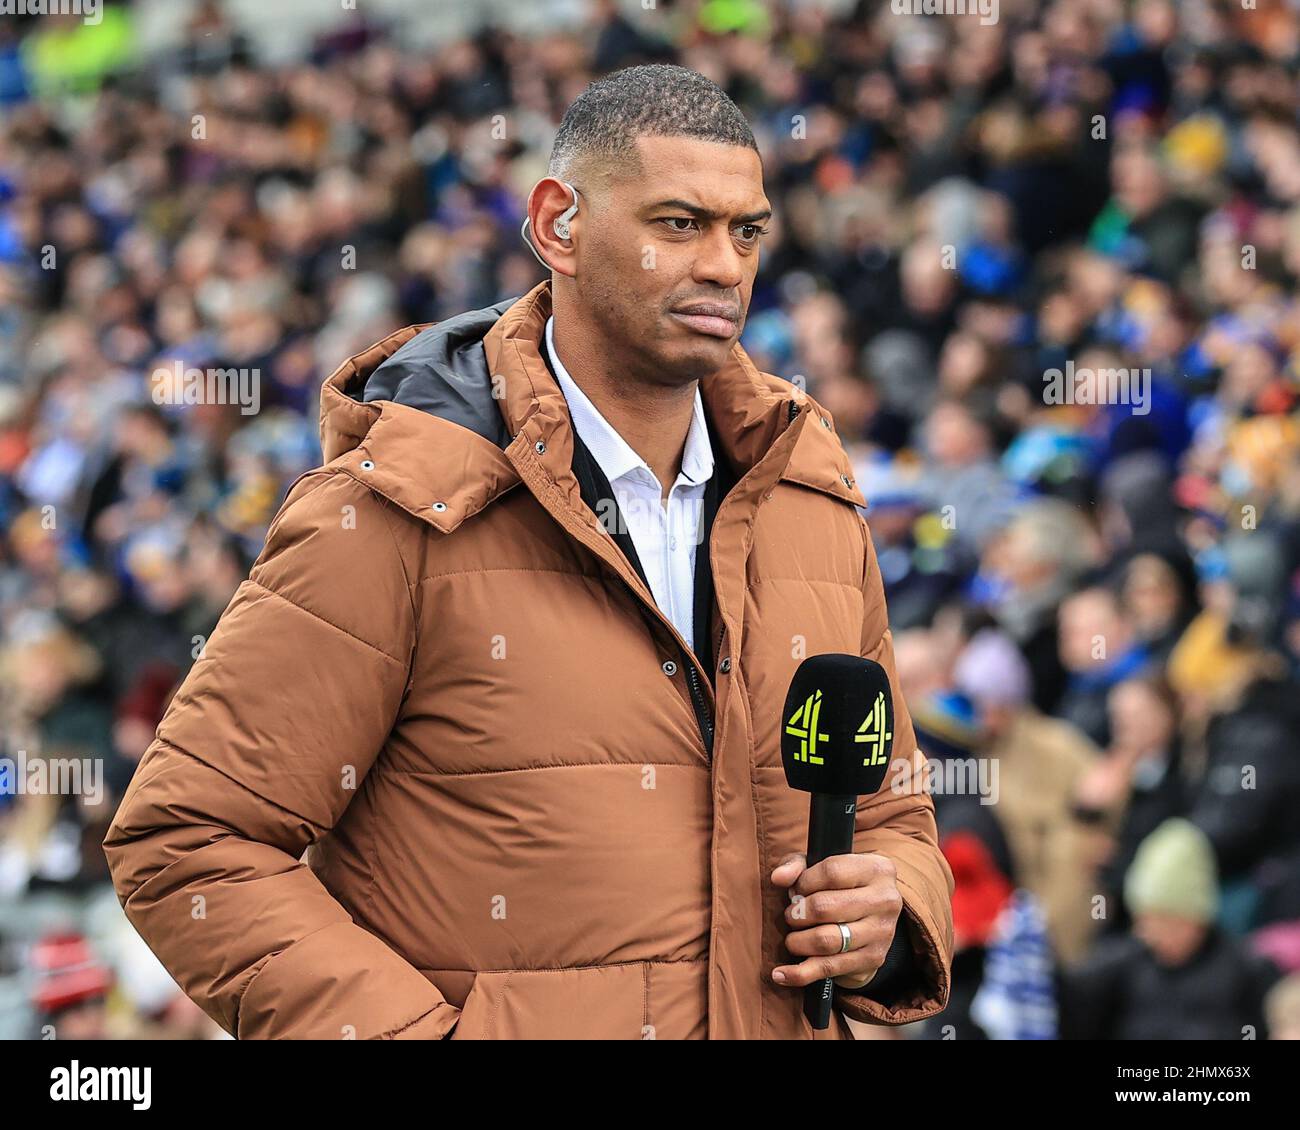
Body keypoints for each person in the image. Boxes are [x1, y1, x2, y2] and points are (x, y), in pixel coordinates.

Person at [103, 64, 954, 1040]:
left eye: (746, 230)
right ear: (559, 226)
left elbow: (895, 815)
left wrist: (890, 922)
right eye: (679, 224)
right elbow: (187, 838)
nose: (725, 265)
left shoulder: (814, 495)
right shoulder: (388, 515)